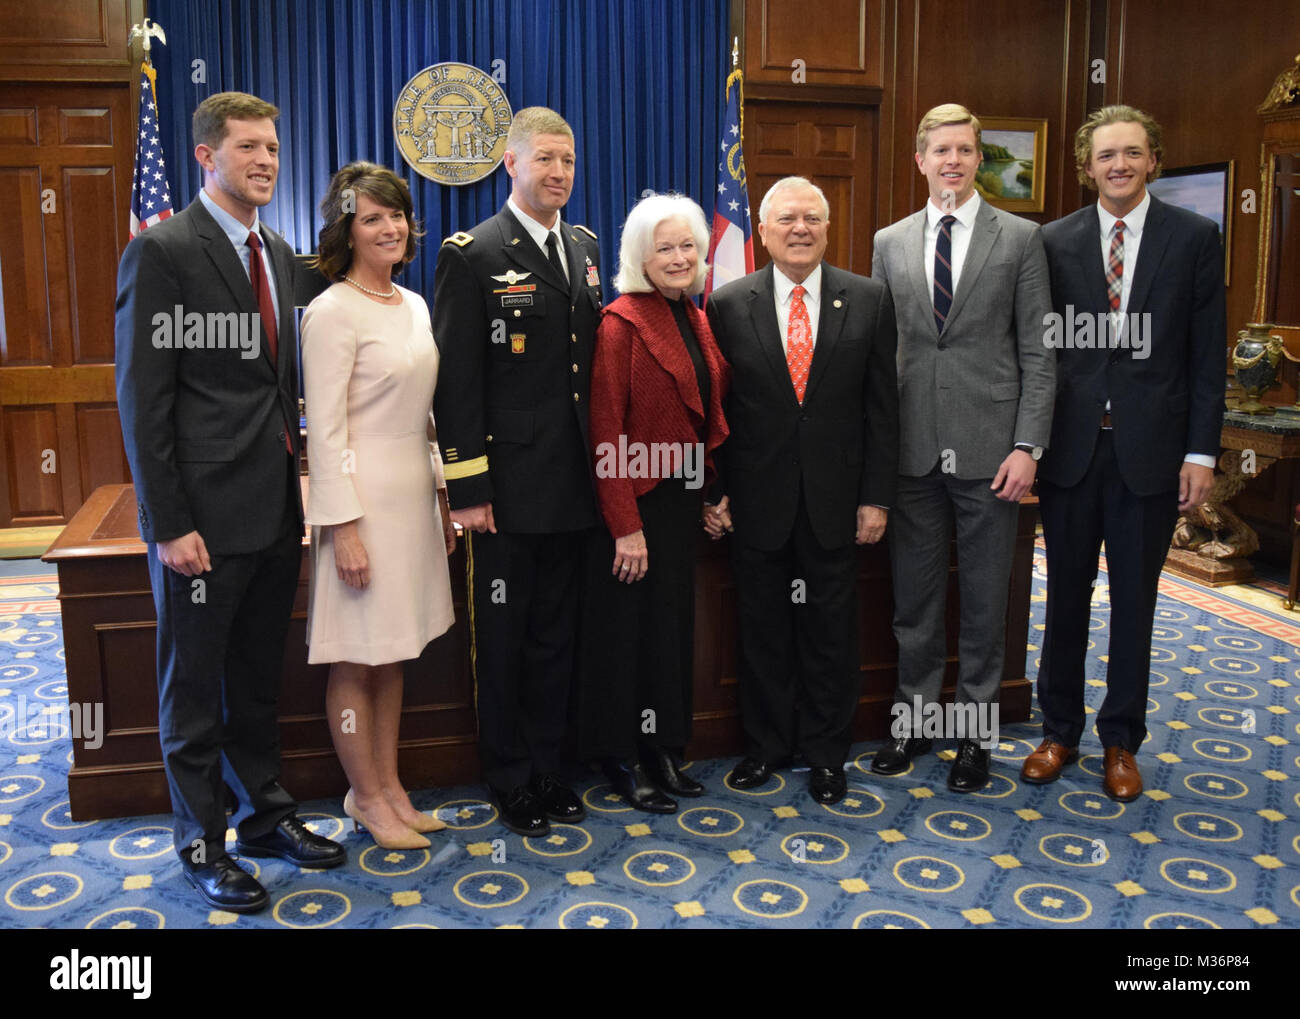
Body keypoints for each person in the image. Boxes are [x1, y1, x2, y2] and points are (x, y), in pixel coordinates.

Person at [115, 92, 345, 915]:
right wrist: (169, 522)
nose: (267, 161)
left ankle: (266, 818)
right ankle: (202, 840)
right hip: (201, 525)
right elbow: (144, 403)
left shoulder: (276, 252)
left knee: (254, 683)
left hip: (275, 511)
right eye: (249, 146)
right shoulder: (165, 251)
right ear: (206, 156)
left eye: (275, 148)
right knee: (194, 690)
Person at [1026, 105, 1224, 801]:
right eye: (1106, 155)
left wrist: (1201, 451)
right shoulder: (1053, 241)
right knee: (1065, 599)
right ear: (1086, 167)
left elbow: (1206, 357)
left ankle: (1120, 740)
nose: (1119, 164)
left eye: (1132, 153)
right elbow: (1038, 349)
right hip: (1072, 451)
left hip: (1153, 452)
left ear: (1153, 161)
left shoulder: (1196, 238)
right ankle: (1058, 730)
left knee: (1135, 602)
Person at [870, 104, 1055, 793]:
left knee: (984, 604)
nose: (953, 160)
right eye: (940, 150)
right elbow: (883, 353)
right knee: (914, 603)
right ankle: (915, 722)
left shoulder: (1021, 240)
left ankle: (975, 738)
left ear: (981, 160)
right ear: (919, 161)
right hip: (911, 452)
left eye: (965, 150)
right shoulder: (889, 241)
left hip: (992, 454)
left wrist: (1028, 444)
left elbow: (1040, 349)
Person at [432, 107, 601, 837]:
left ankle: (548, 765)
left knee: (557, 638)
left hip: (574, 486)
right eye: (545, 161)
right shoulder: (472, 254)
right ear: (512, 164)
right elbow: (457, 384)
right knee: (502, 640)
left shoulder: (586, 245)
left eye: (567, 161)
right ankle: (508, 775)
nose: (558, 173)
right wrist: (468, 488)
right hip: (504, 492)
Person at [704, 176, 899, 805]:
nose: (800, 229)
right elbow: (718, 413)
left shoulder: (868, 299)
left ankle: (825, 755)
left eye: (812, 218)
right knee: (761, 633)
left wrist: (876, 497)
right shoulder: (728, 303)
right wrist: (718, 491)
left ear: (827, 226)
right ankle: (765, 748)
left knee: (829, 636)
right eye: (786, 219)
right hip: (757, 504)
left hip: (836, 505)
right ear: (762, 231)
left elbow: (882, 410)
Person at [301, 162, 457, 849]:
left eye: (395, 214)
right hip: (360, 507)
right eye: (372, 218)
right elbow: (325, 429)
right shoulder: (334, 310)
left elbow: (425, 416)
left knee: (394, 653)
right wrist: (344, 528)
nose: (389, 227)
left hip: (413, 498)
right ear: (347, 230)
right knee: (355, 657)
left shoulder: (415, 304)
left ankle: (390, 786)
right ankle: (364, 795)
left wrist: (444, 490)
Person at [577, 193, 730, 812]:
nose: (678, 256)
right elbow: (606, 431)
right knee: (625, 640)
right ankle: (620, 755)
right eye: (664, 247)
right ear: (641, 255)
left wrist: (709, 493)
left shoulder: (693, 315)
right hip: (632, 509)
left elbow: (700, 418)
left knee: (669, 635)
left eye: (687, 246)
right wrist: (624, 527)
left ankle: (664, 747)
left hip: (676, 504)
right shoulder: (621, 322)